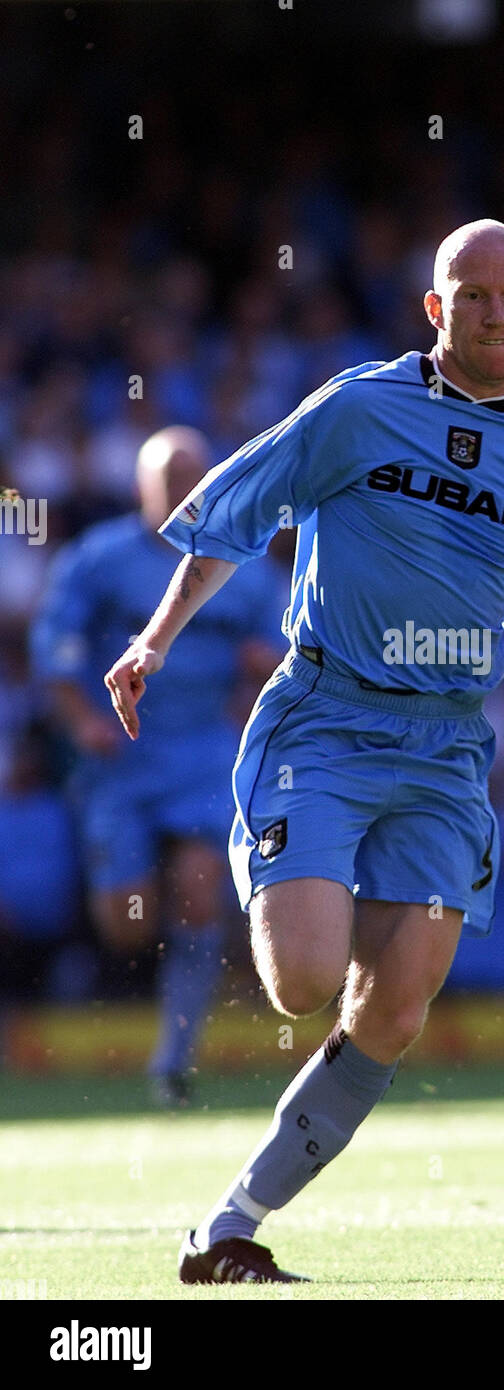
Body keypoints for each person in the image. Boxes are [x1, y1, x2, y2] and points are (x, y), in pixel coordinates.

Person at [104, 220, 504, 1283]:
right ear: (436, 309)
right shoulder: (358, 407)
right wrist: (152, 639)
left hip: (445, 749)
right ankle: (284, 863)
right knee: (303, 982)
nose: (497, 312)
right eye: (473, 295)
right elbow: (236, 516)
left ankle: (226, 1230)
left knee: (397, 1006)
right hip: (325, 717)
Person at [32, 427, 286, 1105]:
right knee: (128, 922)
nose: (182, 490)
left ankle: (175, 1059)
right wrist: (83, 721)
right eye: (168, 477)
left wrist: (261, 670)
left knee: (199, 892)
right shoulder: (99, 559)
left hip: (204, 755)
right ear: (142, 486)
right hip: (121, 757)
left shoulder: (247, 564)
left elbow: (284, 648)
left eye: (194, 476)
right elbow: (54, 650)